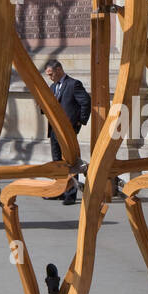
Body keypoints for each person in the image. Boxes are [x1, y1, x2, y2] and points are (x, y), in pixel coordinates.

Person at [42, 58, 91, 205]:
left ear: (59, 70)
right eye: (48, 75)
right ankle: (59, 191)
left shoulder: (73, 84)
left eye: (51, 74)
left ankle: (70, 194)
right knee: (58, 162)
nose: (50, 77)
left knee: (70, 162)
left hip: (68, 130)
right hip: (54, 131)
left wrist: (78, 123)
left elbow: (86, 102)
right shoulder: (52, 87)